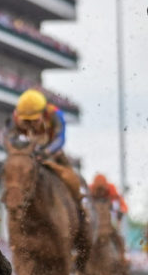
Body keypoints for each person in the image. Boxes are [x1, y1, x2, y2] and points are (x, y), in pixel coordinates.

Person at [11, 89, 89, 230]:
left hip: (53, 152)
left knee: (71, 178)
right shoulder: (16, 116)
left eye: (34, 120)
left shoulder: (55, 114)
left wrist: (46, 151)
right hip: (29, 152)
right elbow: (12, 138)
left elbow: (61, 138)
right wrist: (23, 147)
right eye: (26, 121)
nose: (30, 125)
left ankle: (81, 210)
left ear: (43, 113)